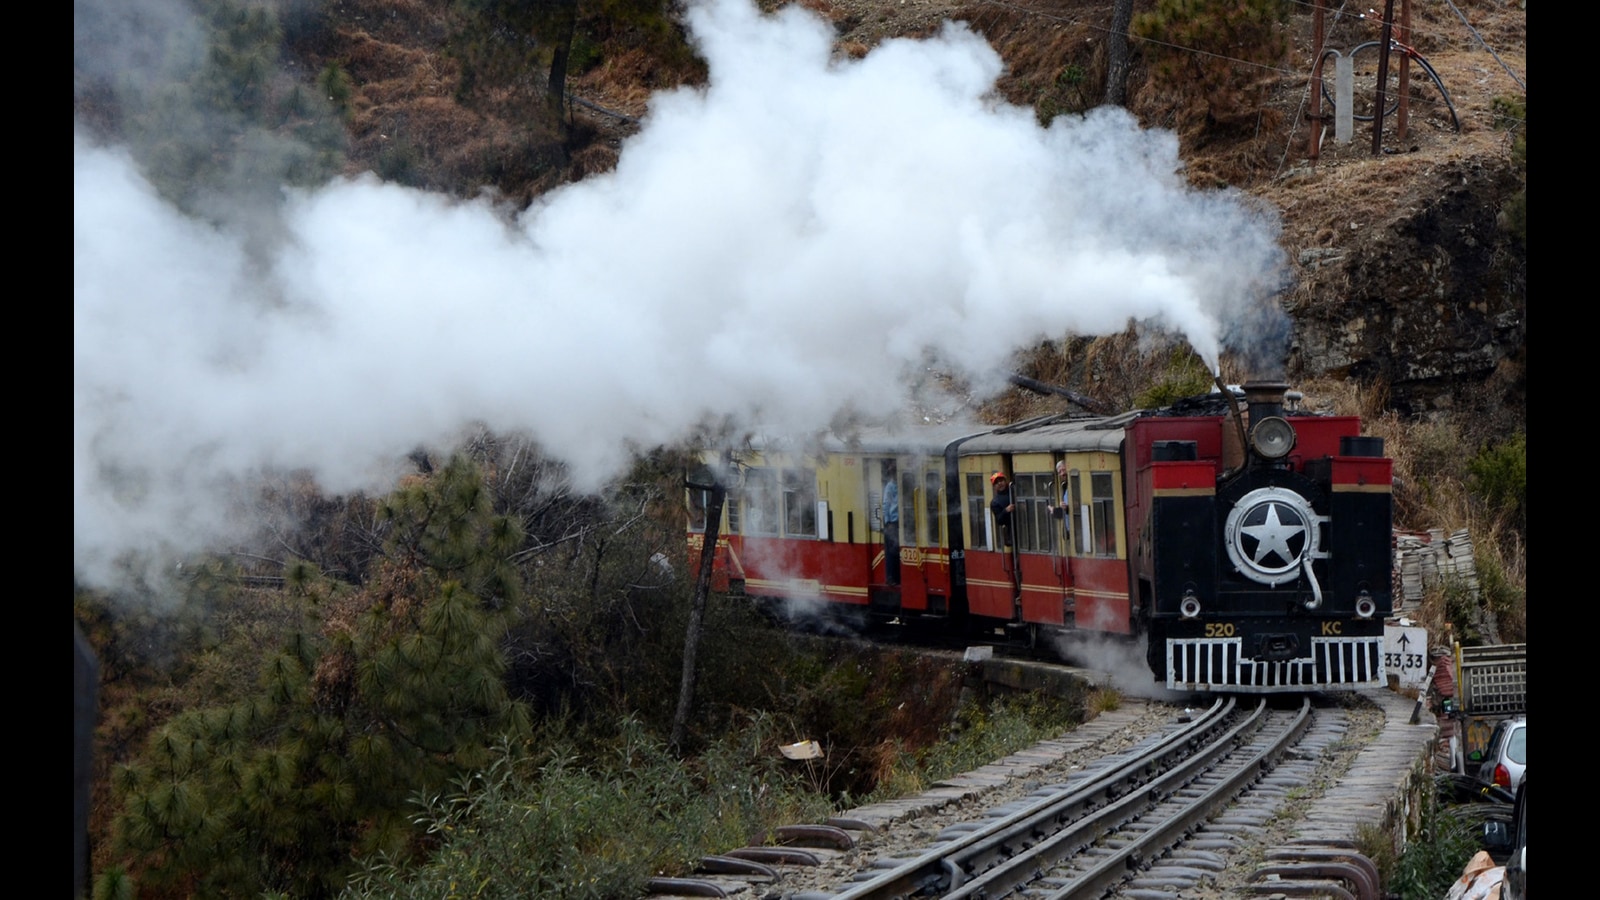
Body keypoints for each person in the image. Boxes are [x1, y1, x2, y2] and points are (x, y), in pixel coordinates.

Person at [881, 462, 901, 585]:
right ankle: (891, 577)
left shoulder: (899, 485)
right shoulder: (890, 486)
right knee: (892, 550)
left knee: (896, 550)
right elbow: (886, 504)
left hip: (898, 521)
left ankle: (896, 576)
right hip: (893, 522)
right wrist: (887, 522)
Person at [989, 471, 1015, 549]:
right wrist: (1006, 511)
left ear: (1005, 480)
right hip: (1011, 531)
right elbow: (999, 520)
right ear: (994, 486)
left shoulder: (1015, 491)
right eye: (996, 483)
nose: (1000, 483)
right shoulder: (995, 502)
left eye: (1001, 480)